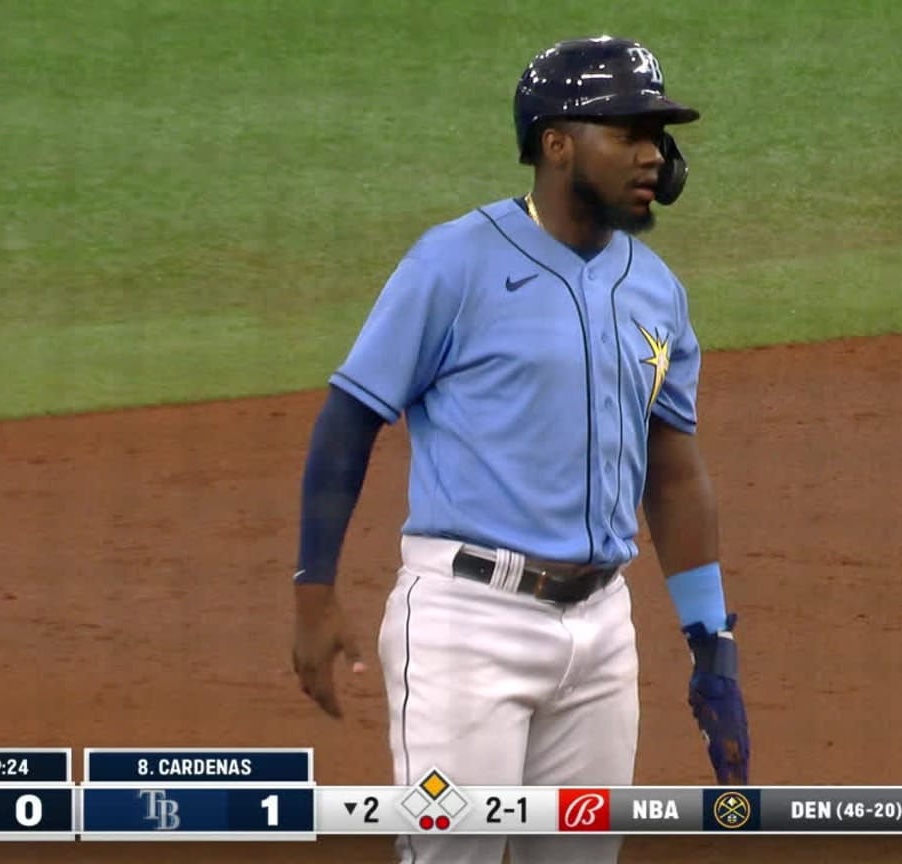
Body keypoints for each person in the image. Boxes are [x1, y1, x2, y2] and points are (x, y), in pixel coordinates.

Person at [290, 35, 749, 864]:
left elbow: (674, 474)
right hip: (467, 626)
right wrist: (312, 593)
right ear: (556, 143)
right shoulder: (454, 263)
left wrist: (712, 642)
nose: (654, 155)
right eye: (628, 131)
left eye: (659, 136)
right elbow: (349, 417)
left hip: (603, 630)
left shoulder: (656, 290)